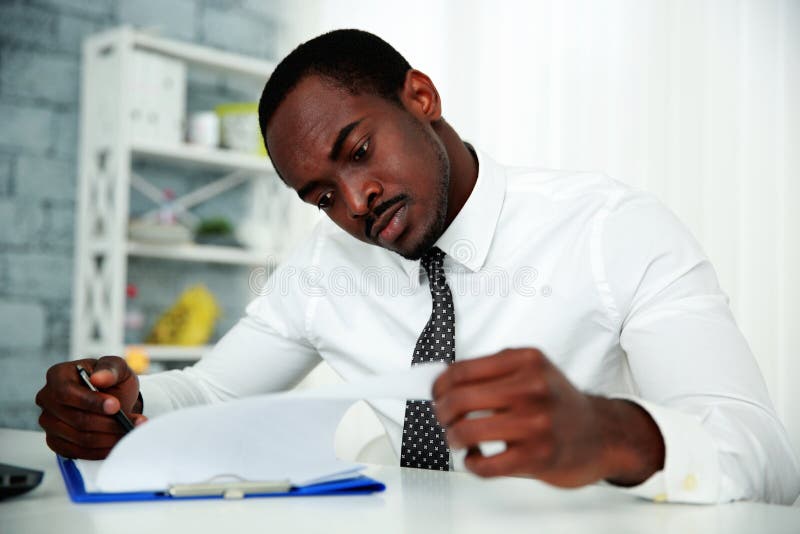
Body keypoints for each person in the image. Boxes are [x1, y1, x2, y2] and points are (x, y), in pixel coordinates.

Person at [36, 29, 799, 504]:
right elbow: (210, 390)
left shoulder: (612, 230)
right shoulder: (323, 267)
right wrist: (122, 405)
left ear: (421, 96)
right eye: (321, 194)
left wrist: (609, 435)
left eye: (358, 152)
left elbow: (766, 460)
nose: (356, 201)